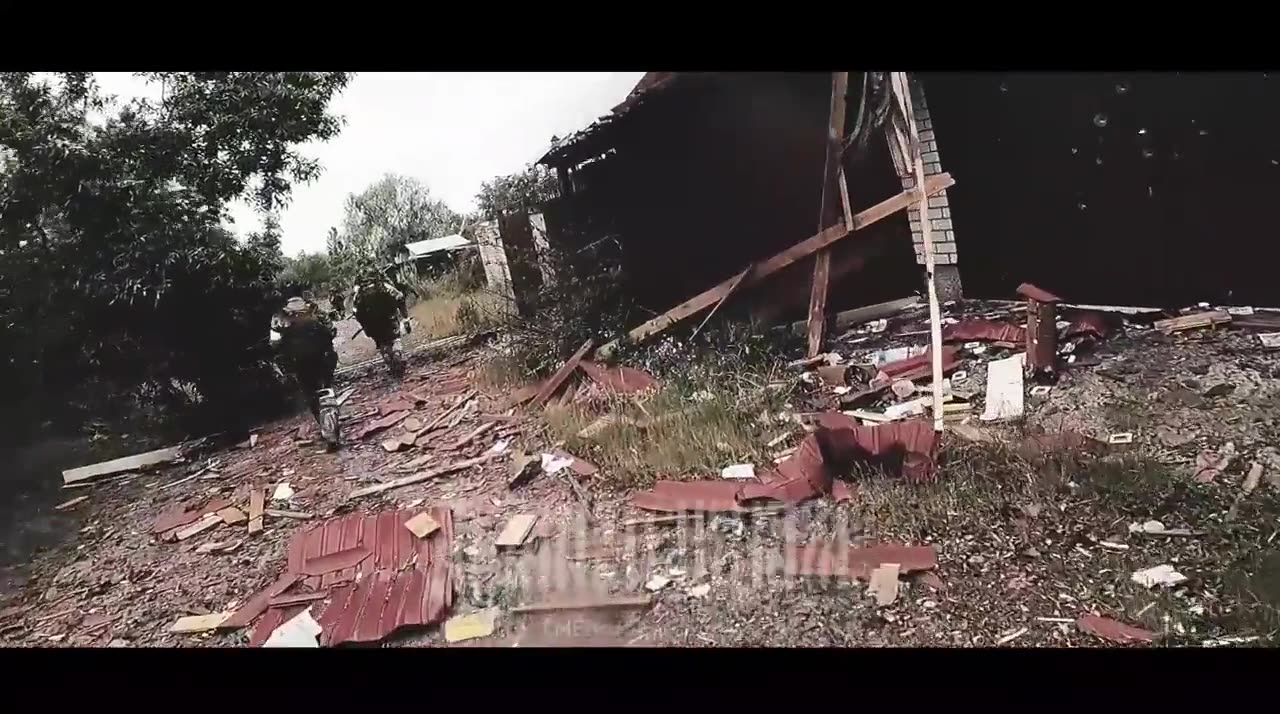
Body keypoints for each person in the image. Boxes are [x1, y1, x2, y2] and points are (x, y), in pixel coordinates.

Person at [271, 288, 341, 448]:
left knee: (310, 394)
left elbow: (274, 343)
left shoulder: (280, 317)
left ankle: (325, 427)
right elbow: (332, 330)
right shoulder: (315, 310)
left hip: (299, 362)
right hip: (324, 357)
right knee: (326, 388)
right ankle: (331, 426)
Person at [353, 274, 408, 377]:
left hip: (372, 324)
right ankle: (397, 354)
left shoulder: (359, 294)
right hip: (390, 319)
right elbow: (400, 298)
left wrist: (365, 326)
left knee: (381, 343)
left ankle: (388, 360)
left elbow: (356, 312)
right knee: (395, 339)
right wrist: (405, 317)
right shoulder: (385, 287)